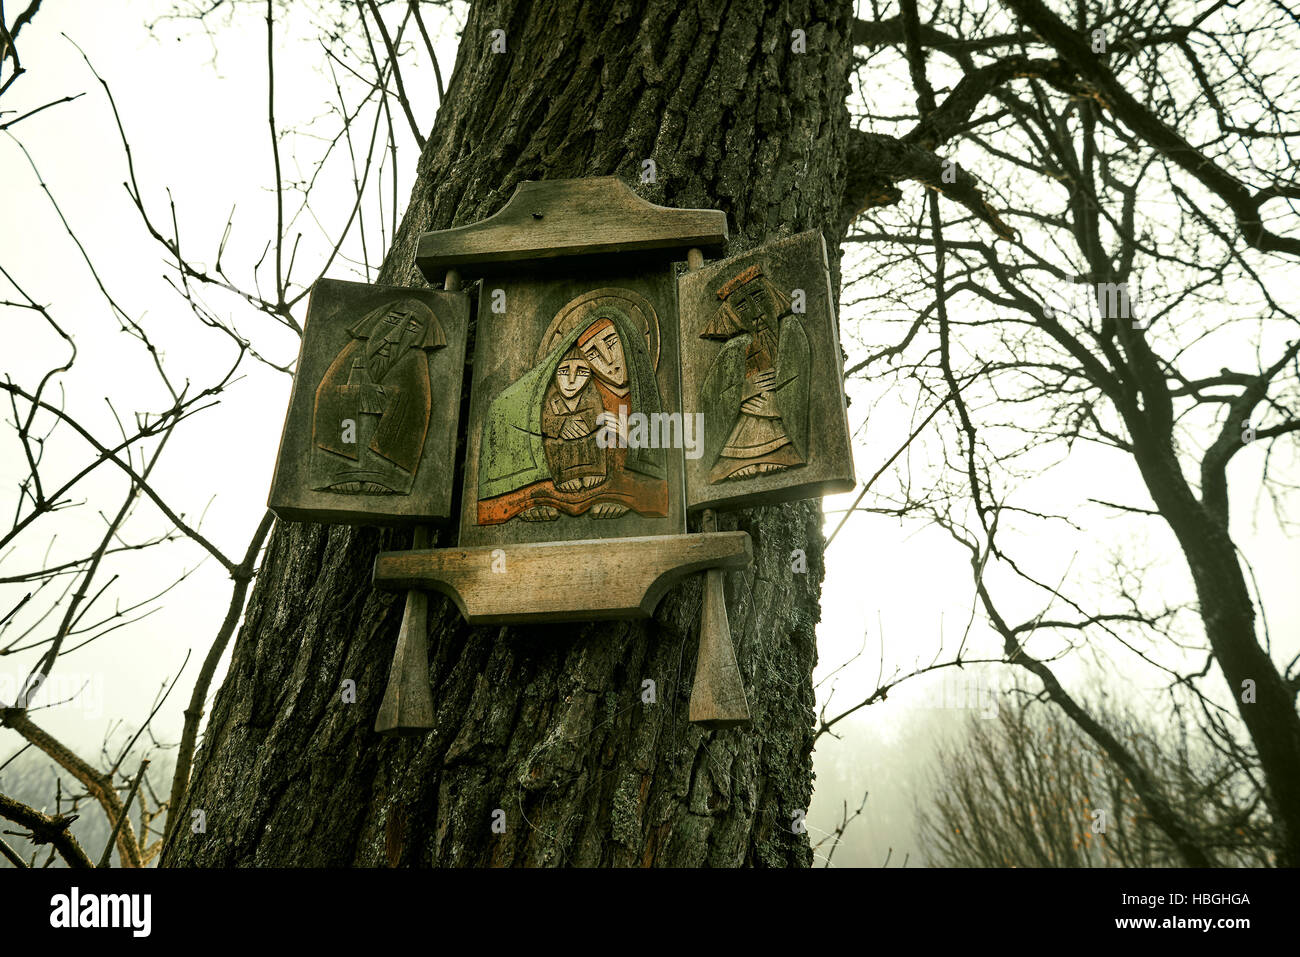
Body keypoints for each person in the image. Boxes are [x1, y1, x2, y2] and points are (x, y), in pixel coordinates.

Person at [541, 351, 605, 492]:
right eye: (564, 371)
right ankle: (564, 477)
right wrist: (561, 425)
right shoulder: (549, 393)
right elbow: (544, 421)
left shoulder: (591, 392)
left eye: (581, 372)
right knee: (551, 442)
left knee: (599, 436)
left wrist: (585, 422)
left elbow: (598, 415)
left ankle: (592, 471)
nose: (571, 379)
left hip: (586, 441)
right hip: (561, 445)